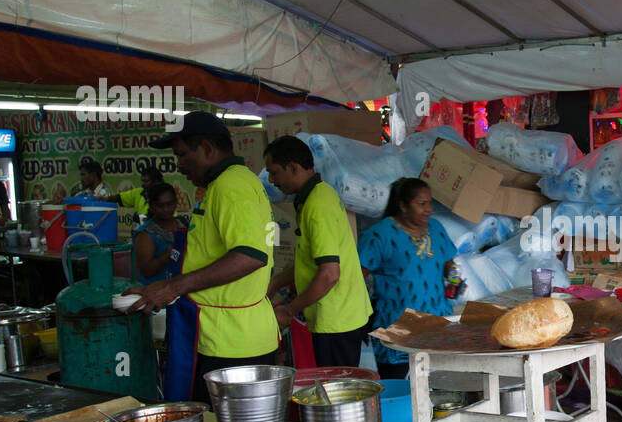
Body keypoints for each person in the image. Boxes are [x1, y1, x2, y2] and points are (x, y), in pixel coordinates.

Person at [127, 113, 277, 402]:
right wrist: (159, 289)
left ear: (208, 149)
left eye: (182, 155)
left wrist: (173, 287)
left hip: (232, 343)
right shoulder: (224, 185)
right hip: (222, 335)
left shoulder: (232, 187)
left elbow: (250, 256)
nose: (178, 164)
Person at [264, 136, 373, 368]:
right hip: (336, 315)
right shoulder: (315, 196)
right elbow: (311, 263)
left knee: (337, 393)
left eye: (274, 172)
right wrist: (276, 282)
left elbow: (330, 274)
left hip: (337, 319)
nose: (272, 180)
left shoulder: (317, 205)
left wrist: (290, 310)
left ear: (293, 167)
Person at [357, 178, 457, 379]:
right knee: (399, 384)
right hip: (397, 326)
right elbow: (358, 275)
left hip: (436, 322)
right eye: (421, 204)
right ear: (402, 206)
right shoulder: (379, 235)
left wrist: (452, 277)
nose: (428, 209)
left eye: (429, 203)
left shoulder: (436, 228)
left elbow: (447, 261)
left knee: (440, 383)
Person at [131, 183, 188, 285]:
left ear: (176, 202)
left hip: (179, 288)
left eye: (169, 204)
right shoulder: (146, 234)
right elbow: (147, 272)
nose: (166, 209)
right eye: (160, 205)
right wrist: (169, 254)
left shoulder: (183, 225)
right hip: (155, 291)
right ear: (152, 206)